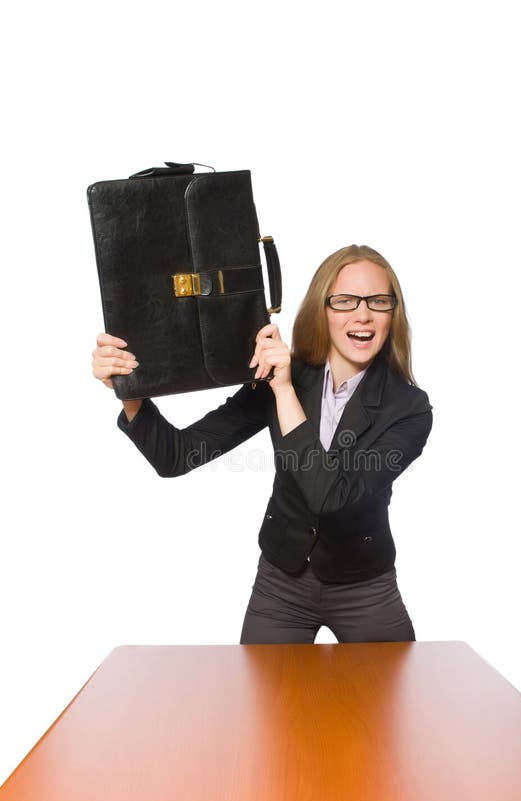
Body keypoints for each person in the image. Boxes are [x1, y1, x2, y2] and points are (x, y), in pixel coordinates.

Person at [92, 244, 433, 644]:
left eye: (378, 301)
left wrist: (284, 391)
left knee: (393, 703)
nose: (362, 314)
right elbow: (176, 456)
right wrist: (131, 390)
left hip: (365, 588)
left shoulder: (409, 408)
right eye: (344, 301)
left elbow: (330, 496)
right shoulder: (288, 376)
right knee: (262, 705)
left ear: (393, 313)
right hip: (281, 585)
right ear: (321, 310)